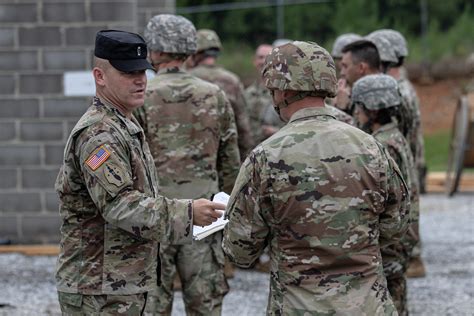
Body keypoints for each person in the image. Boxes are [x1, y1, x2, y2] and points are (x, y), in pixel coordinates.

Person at [222, 41, 409, 315]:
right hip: (369, 306)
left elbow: (240, 249)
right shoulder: (371, 147)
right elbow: (396, 226)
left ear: (281, 89)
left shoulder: (266, 156)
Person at [55, 30, 225, 315]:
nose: (140, 80)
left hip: (118, 282)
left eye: (143, 71)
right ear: (100, 76)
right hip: (99, 289)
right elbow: (121, 206)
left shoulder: (123, 124)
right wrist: (188, 213)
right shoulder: (100, 134)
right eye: (127, 73)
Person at [135, 15, 241, 316]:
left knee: (153, 304)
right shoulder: (214, 94)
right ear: (190, 50)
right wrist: (228, 210)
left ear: (153, 52)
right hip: (205, 216)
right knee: (205, 304)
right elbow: (230, 161)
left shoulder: (143, 96)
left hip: (157, 215)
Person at [352, 74, 419, 315]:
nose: (356, 112)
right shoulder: (395, 136)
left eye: (358, 106)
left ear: (372, 108)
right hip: (402, 234)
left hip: (391, 241)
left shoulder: (382, 144)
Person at [369, 29, 427, 278]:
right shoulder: (403, 87)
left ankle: (411, 257)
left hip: (402, 159)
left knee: (405, 210)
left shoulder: (397, 91)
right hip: (410, 157)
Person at [187, 29, 254, 160]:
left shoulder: (187, 78)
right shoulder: (232, 80)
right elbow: (243, 123)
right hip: (226, 152)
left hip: (192, 154)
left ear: (195, 52)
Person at [336, 38, 397, 116]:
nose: (342, 73)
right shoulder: (388, 89)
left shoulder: (376, 97)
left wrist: (341, 108)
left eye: (345, 66)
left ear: (361, 68)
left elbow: (363, 127)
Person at [244, 44, 284, 143]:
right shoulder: (246, 94)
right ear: (254, 61)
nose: (263, 61)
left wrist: (277, 132)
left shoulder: (285, 92)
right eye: (260, 57)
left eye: (268, 57)